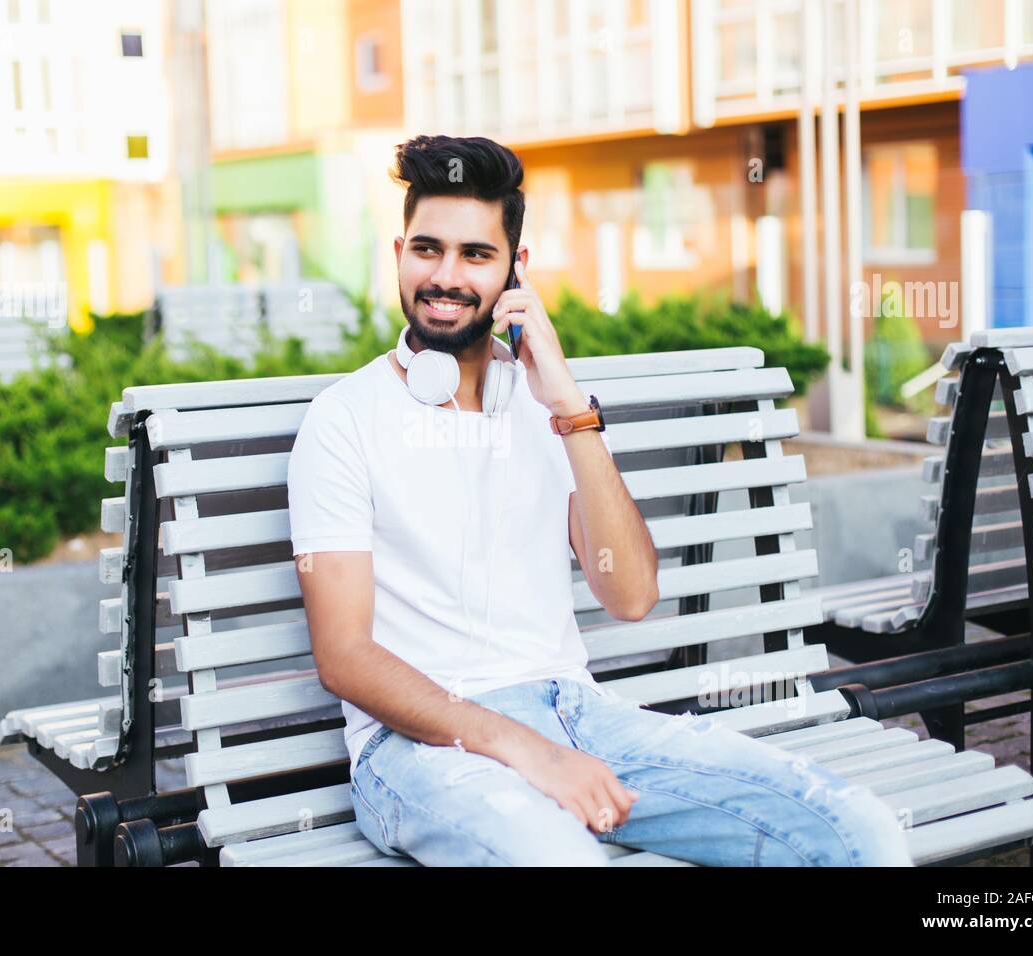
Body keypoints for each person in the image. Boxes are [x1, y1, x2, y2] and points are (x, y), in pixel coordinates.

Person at [285, 133, 913, 867]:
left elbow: (633, 595)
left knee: (857, 830)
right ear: (399, 252)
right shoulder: (345, 418)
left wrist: (569, 408)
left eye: (476, 255)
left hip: (576, 711)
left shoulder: (546, 408)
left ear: (517, 271)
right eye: (427, 250)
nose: (445, 276)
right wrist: (533, 757)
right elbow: (346, 657)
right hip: (419, 749)